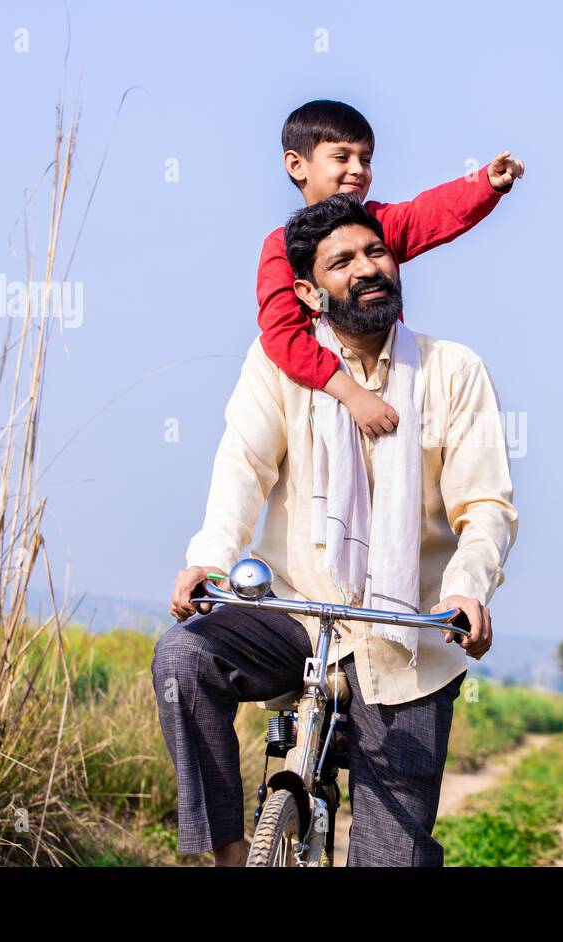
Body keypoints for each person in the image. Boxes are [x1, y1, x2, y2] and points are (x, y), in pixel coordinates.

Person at [154, 193, 518, 866]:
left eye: (376, 252)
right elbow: (244, 464)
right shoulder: (278, 365)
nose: (367, 269)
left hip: (410, 636)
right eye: (342, 261)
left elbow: (485, 505)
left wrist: (468, 589)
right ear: (308, 291)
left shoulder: (452, 370)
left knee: (390, 858)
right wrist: (208, 559)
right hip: (295, 611)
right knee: (184, 656)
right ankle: (230, 854)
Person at [258, 99, 524, 438]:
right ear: (297, 165)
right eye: (342, 157)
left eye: (366, 159)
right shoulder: (281, 248)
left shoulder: (378, 224)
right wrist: (350, 394)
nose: (357, 169)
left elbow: (428, 213)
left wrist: (484, 183)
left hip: (391, 386)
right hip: (318, 405)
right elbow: (282, 335)